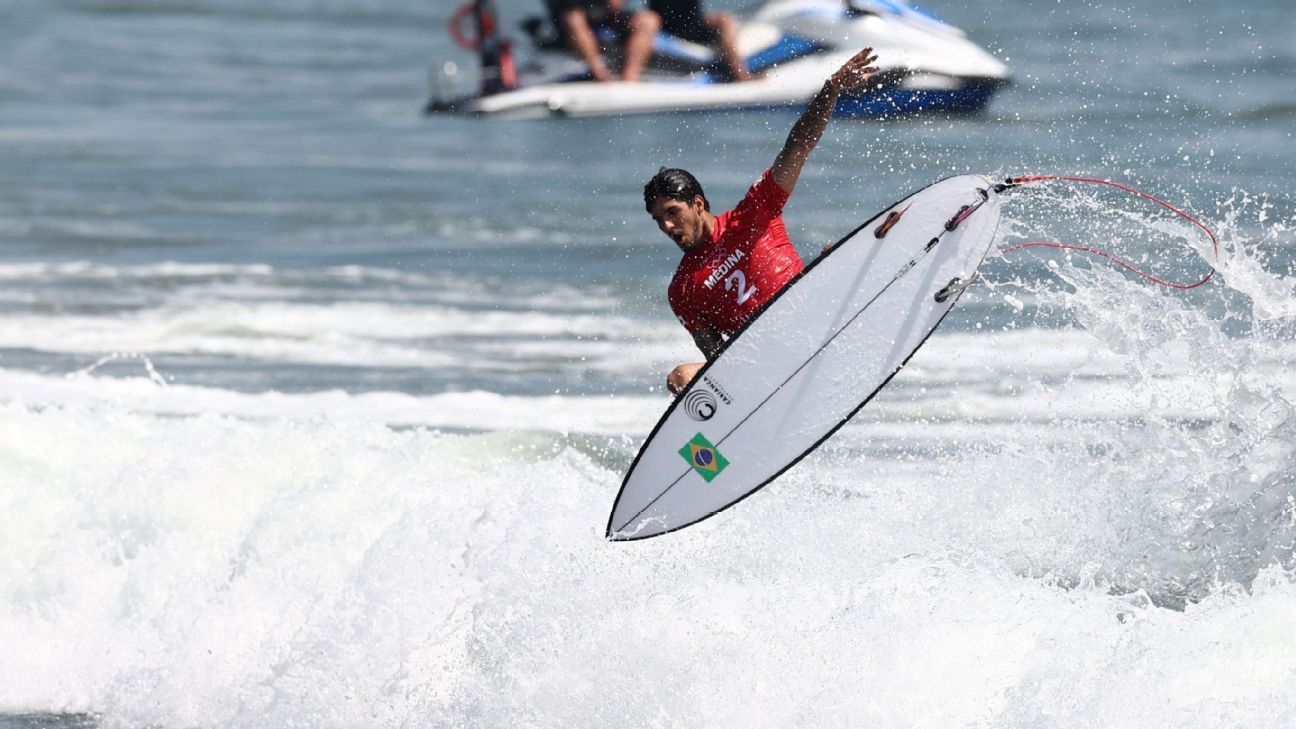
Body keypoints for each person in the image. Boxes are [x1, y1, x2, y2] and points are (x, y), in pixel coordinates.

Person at [643, 48, 880, 395]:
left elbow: (797, 147)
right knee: (681, 378)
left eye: (672, 213)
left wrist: (830, 90)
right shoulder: (682, 290)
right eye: (658, 220)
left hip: (816, 324)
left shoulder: (754, 213)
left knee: (838, 253)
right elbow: (718, 361)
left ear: (697, 204)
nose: (666, 227)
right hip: (766, 370)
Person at [545, 0, 661, 82]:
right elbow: (569, 12)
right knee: (574, 18)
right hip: (571, 30)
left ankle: (629, 78)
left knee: (649, 20)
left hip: (610, 25)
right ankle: (600, 74)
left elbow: (619, 6)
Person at [648, 0, 751, 81]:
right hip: (664, 29)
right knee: (648, 20)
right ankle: (637, 84)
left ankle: (740, 75)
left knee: (724, 20)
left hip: (694, 26)